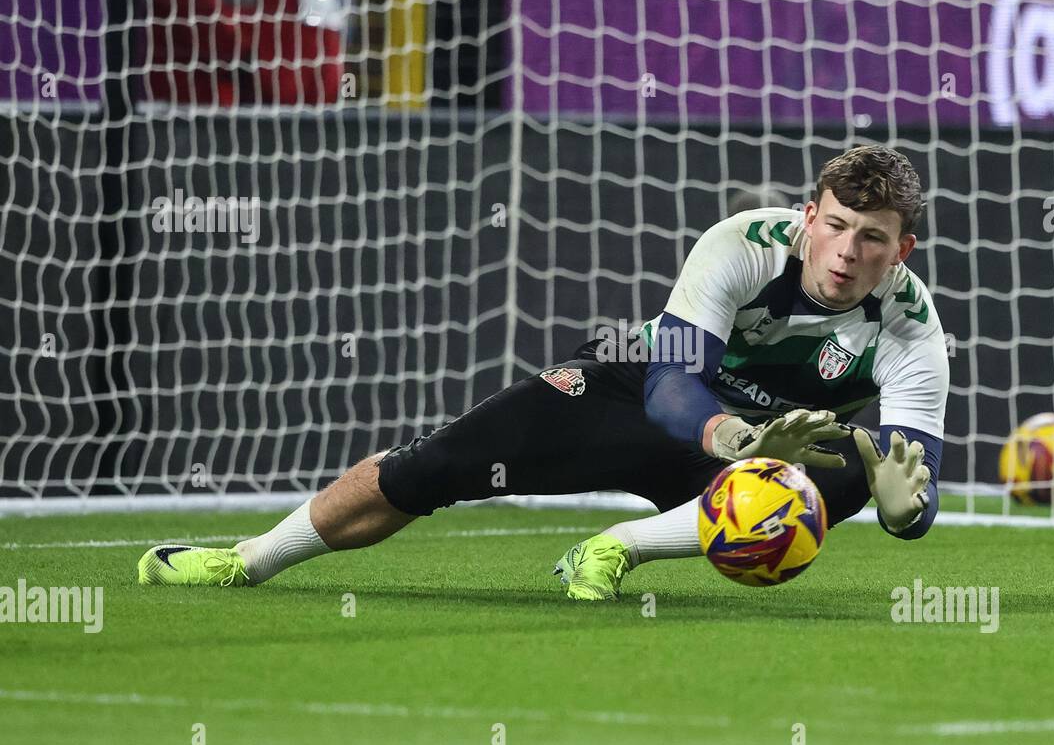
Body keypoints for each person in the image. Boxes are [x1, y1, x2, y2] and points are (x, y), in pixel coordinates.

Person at [138, 144, 948, 600]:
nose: (848, 252)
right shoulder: (741, 243)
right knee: (438, 462)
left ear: (900, 250)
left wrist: (903, 512)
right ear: (808, 217)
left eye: (872, 238)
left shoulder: (914, 331)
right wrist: (731, 433)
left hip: (748, 460)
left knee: (853, 466)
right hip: (642, 396)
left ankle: (616, 549)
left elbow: (921, 473)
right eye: (835, 225)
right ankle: (250, 557)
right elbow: (672, 387)